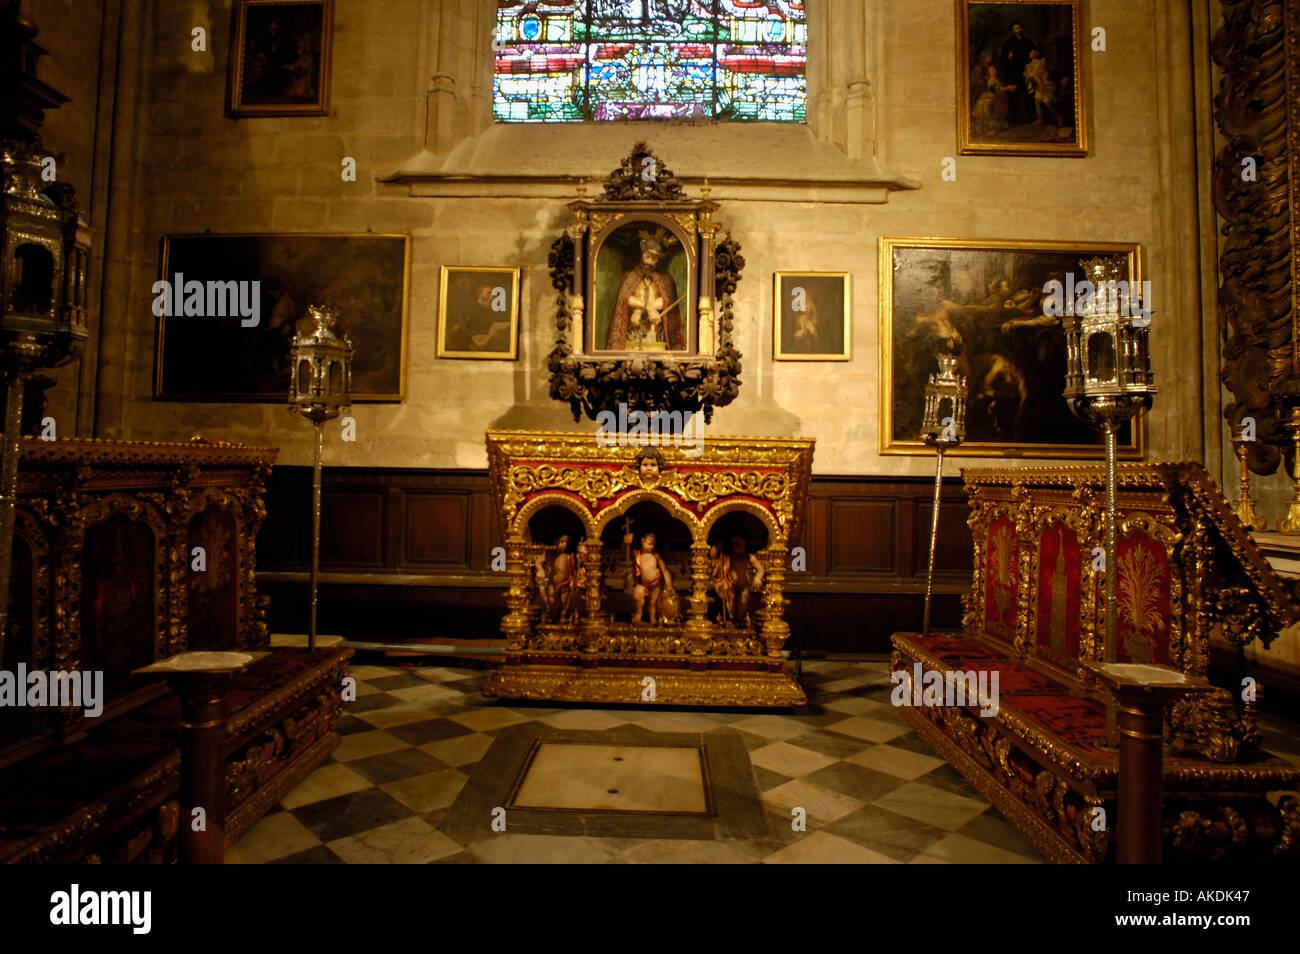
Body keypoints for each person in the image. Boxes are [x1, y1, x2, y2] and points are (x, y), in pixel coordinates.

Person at [605, 229, 684, 350]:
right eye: (648, 257)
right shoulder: (629, 276)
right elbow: (624, 298)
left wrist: (646, 308)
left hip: (656, 332)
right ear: (641, 255)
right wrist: (645, 308)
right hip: (633, 332)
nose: (650, 262)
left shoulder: (665, 279)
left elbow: (667, 300)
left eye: (655, 259)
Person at [711, 535, 765, 627]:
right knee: (730, 601)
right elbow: (713, 555)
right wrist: (717, 547)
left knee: (743, 603)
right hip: (729, 584)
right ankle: (731, 620)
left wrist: (757, 578)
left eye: (740, 543)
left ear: (745, 543)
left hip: (743, 586)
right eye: (735, 543)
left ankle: (739, 620)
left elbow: (760, 569)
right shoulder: (727, 556)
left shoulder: (748, 557)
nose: (737, 546)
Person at [623, 529, 673, 625]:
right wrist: (625, 543)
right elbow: (626, 555)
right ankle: (638, 616)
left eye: (653, 545)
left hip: (655, 582)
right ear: (642, 541)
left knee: (652, 602)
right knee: (638, 597)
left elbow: (664, 570)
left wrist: (669, 584)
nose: (652, 547)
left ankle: (653, 619)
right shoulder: (637, 554)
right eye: (649, 544)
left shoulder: (655, 556)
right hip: (641, 582)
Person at [1000, 21, 1037, 125]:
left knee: (1028, 93)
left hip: (1027, 71)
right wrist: (1008, 58)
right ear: (1013, 30)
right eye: (1016, 28)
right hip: (1015, 72)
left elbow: (1035, 53)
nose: (1018, 30)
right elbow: (1003, 58)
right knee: (1015, 93)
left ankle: (1030, 116)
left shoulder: (1027, 42)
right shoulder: (1009, 43)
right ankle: (1016, 117)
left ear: (1022, 29)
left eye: (1020, 27)